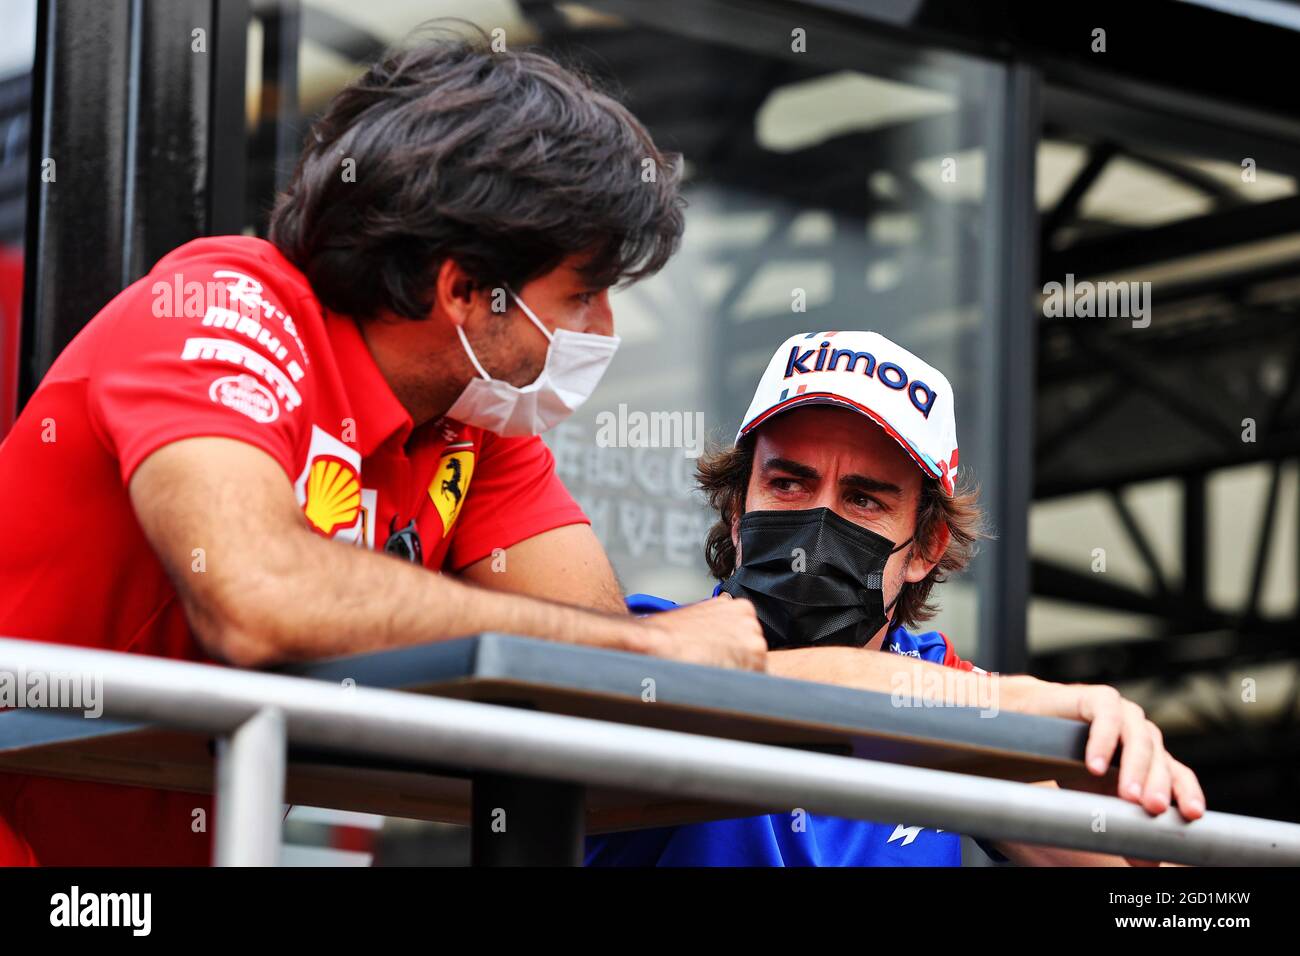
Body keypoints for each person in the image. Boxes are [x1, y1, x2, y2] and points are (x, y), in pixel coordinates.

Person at [0, 33, 764, 866]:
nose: (604, 331)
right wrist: (647, 646)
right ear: (466, 289)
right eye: (582, 295)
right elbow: (260, 597)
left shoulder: (476, 422)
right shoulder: (220, 307)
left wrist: (630, 651)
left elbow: (577, 654)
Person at [586, 330, 1206, 866]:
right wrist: (1022, 706)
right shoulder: (648, 647)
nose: (819, 522)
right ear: (738, 510)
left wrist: (1130, 788)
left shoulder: (941, 689)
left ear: (927, 547)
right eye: (789, 483)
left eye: (864, 499)